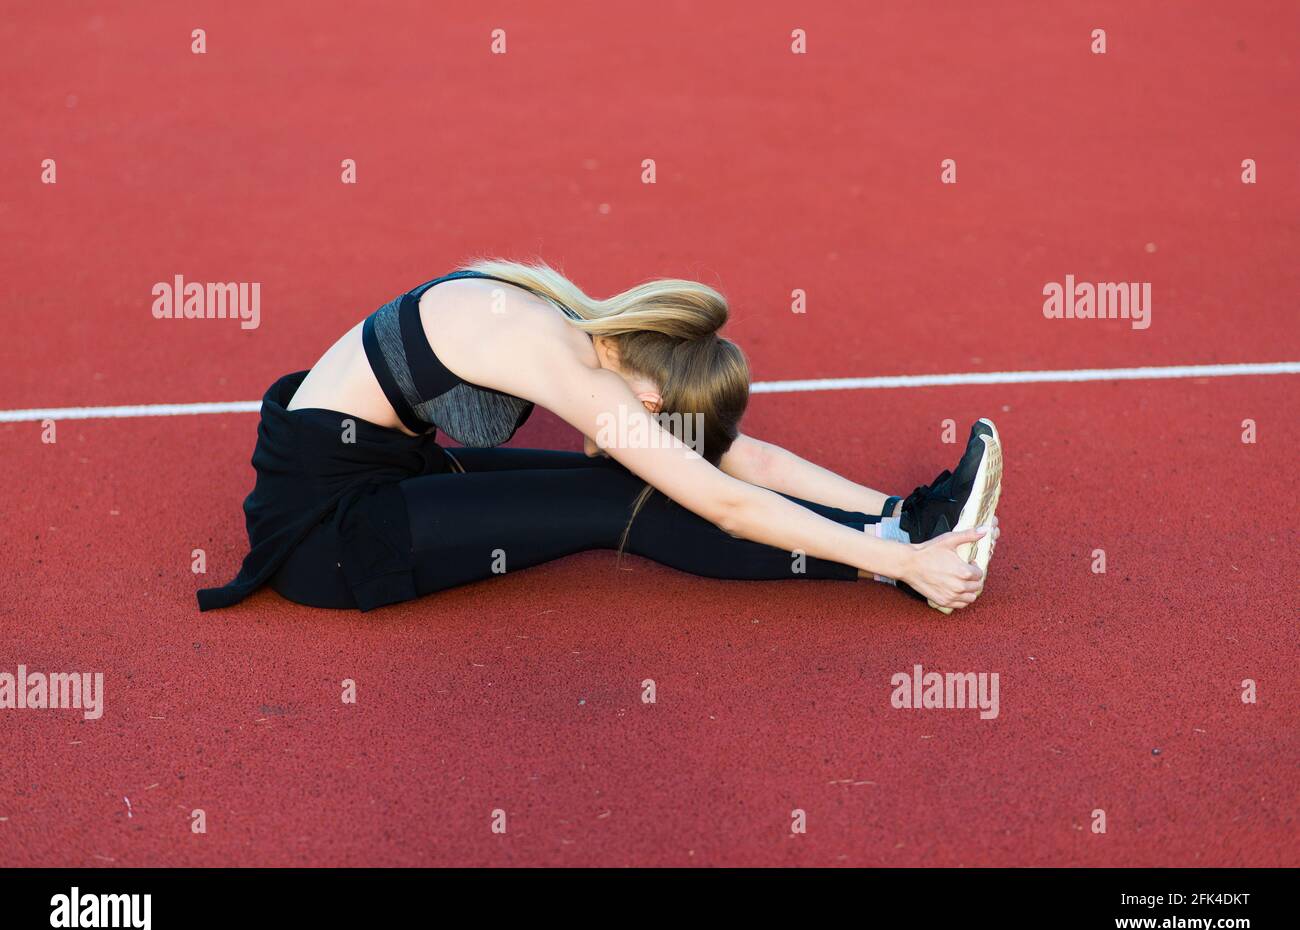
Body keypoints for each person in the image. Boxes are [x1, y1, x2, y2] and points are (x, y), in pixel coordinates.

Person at [197, 261, 1001, 615]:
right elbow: (723, 500)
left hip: (367, 474)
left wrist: (898, 511)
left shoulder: (571, 320)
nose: (654, 428)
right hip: (328, 535)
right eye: (660, 419)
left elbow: (731, 454)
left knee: (642, 477)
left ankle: (919, 518)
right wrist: (895, 565)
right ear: (649, 391)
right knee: (633, 500)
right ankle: (901, 564)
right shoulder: (558, 359)